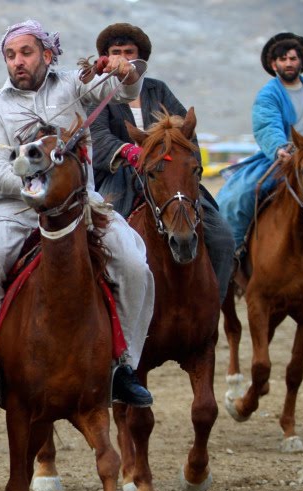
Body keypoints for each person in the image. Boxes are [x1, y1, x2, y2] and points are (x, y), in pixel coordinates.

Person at [0, 19, 154, 406]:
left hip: (80, 206)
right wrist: (35, 190)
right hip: (13, 210)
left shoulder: (72, 84)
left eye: (26, 53)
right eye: (11, 55)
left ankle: (125, 366)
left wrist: (123, 69)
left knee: (134, 262)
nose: (18, 61)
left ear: (47, 55)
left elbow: (123, 89)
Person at [90, 23, 235, 302]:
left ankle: (211, 305)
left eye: (129, 52)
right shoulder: (98, 93)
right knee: (107, 238)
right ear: (106, 58)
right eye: (115, 52)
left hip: (168, 176)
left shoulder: (158, 90)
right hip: (120, 176)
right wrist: (129, 152)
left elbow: (185, 133)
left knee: (222, 237)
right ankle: (110, 307)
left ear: (140, 58)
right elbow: (96, 137)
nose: (122, 57)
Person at [218, 32, 303, 308]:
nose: (289, 62)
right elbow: (267, 124)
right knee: (240, 194)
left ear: (301, 61)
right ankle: (233, 257)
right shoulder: (269, 93)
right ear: (273, 64)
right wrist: (279, 146)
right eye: (282, 59)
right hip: (282, 157)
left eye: (293, 57)